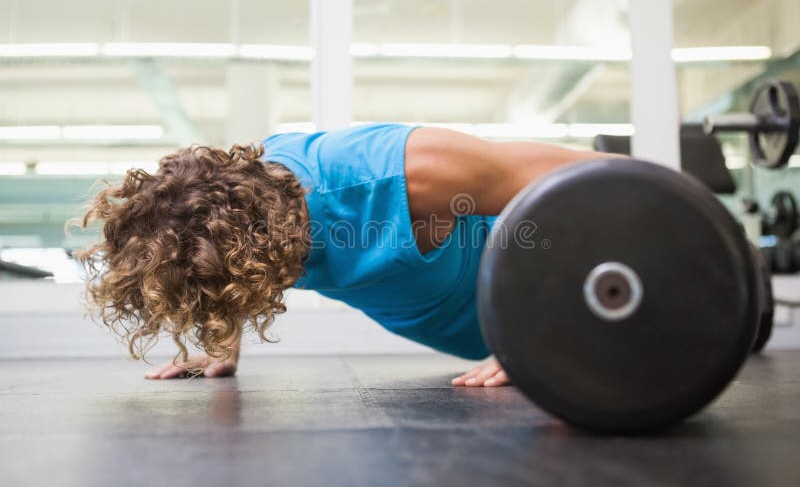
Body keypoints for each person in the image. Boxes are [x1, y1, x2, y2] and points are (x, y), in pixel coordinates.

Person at [74, 123, 610, 387]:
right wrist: (223, 345)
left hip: (551, 308)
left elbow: (602, 184)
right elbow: (215, 258)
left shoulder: (409, 171)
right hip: (468, 340)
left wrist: (544, 342)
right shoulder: (238, 218)